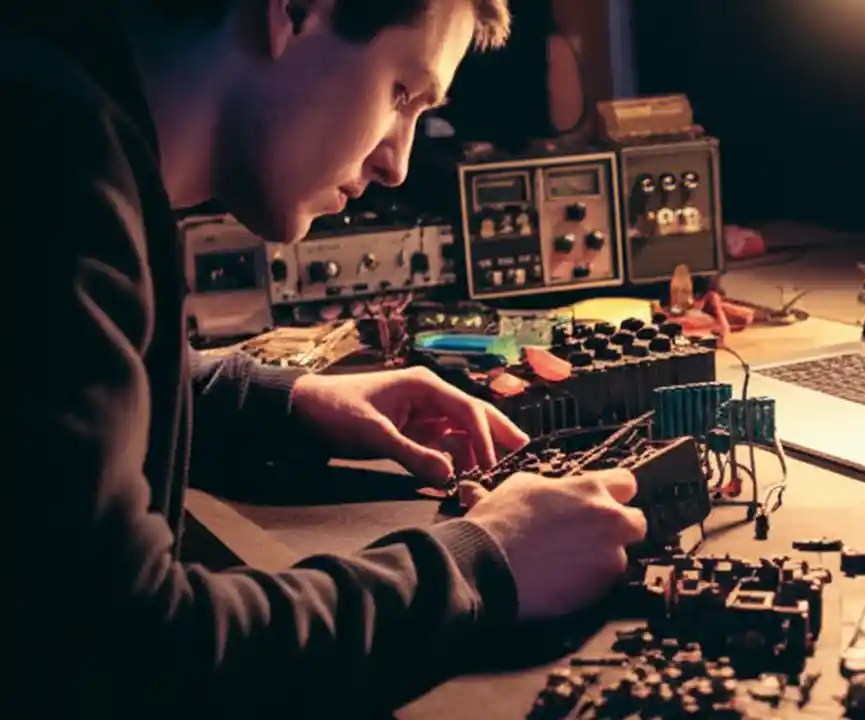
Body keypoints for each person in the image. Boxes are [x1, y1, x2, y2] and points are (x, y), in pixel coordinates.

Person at [8, 0, 648, 716]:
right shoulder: (50, 171)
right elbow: (122, 656)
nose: (398, 163)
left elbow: (46, 395)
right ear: (294, 12)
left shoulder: (56, 99)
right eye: (402, 93)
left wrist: (283, 398)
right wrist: (483, 563)